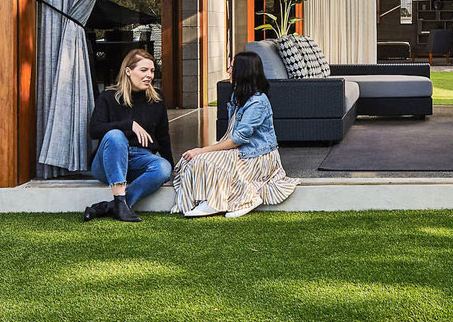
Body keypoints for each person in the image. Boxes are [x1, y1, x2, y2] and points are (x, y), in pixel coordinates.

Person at [170, 50, 297, 219]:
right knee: (190, 161)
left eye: (231, 68)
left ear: (243, 72)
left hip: (256, 156)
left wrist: (202, 150)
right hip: (241, 151)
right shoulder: (238, 95)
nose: (228, 71)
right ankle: (206, 198)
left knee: (204, 158)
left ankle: (222, 202)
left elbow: (237, 140)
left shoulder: (257, 102)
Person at [83, 48, 173, 224]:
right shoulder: (108, 97)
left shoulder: (157, 99)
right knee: (116, 136)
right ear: (128, 71)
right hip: (108, 162)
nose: (149, 75)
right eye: (143, 70)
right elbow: (94, 130)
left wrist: (172, 165)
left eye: (152, 71)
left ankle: (113, 205)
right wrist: (128, 125)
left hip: (139, 159)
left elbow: (163, 136)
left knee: (163, 167)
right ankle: (119, 200)